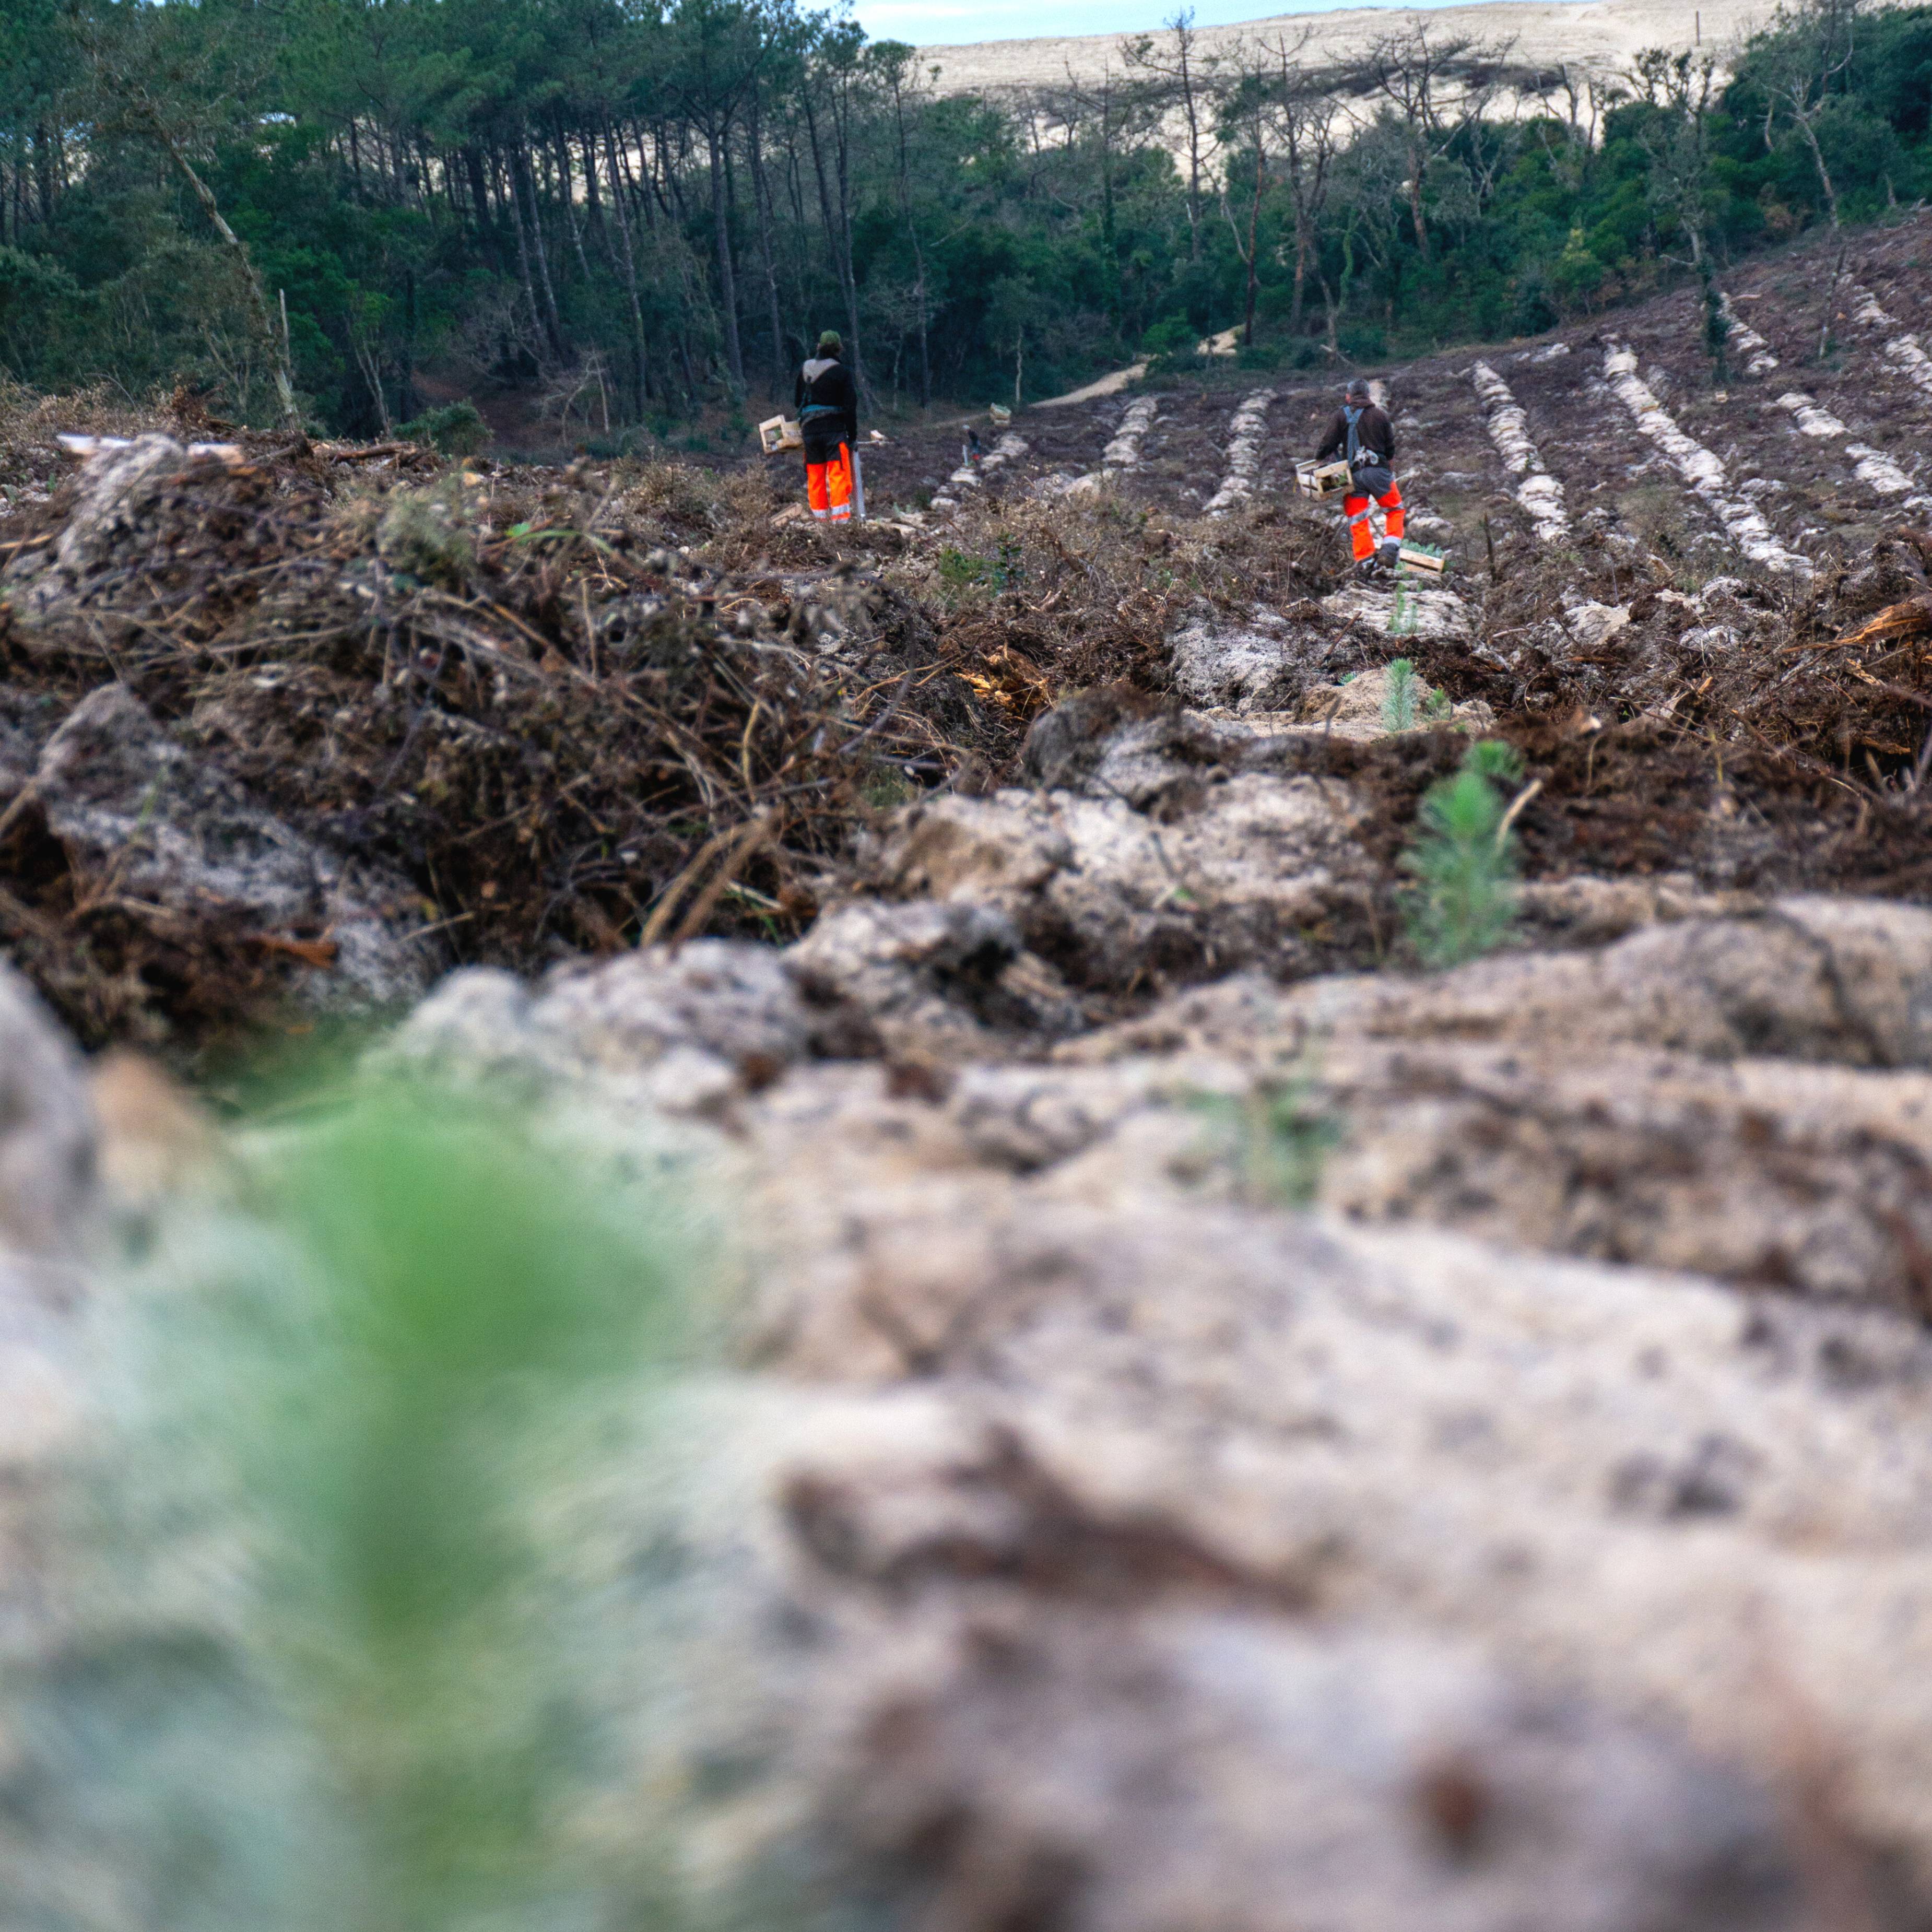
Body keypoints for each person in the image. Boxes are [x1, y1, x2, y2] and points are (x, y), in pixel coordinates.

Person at [1314, 377, 1404, 576]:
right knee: (1395, 510)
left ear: (1349, 397)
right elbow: (1390, 448)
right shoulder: (1380, 416)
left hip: (1351, 477)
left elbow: (1328, 443)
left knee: (1357, 519)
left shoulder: (1340, 416)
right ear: (1368, 395)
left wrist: (1318, 461)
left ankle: (1365, 562)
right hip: (1379, 472)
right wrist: (1387, 467)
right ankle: (1389, 549)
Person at [795, 331, 859, 524]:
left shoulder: (805, 369)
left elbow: (797, 401)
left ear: (818, 347)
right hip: (834, 431)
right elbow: (850, 407)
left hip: (809, 431)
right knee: (837, 474)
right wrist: (852, 436)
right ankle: (840, 522)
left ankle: (819, 522)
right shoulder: (843, 372)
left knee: (815, 476)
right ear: (839, 349)